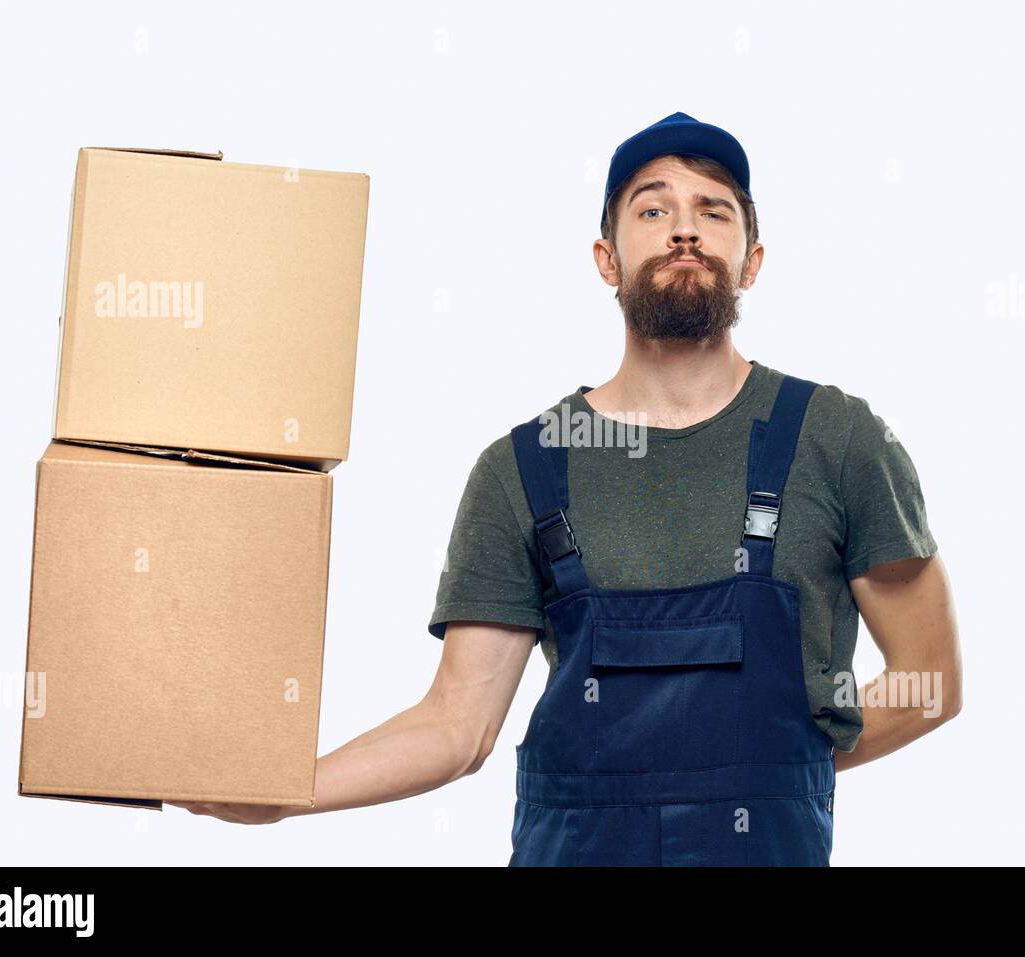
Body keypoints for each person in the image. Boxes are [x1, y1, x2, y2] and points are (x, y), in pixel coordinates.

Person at [169, 112, 962, 867]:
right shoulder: (523, 467)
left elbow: (931, 682)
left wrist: (783, 763)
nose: (684, 227)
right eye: (652, 209)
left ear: (752, 258)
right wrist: (286, 793)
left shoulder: (840, 441)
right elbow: (458, 724)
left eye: (713, 211)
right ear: (606, 259)